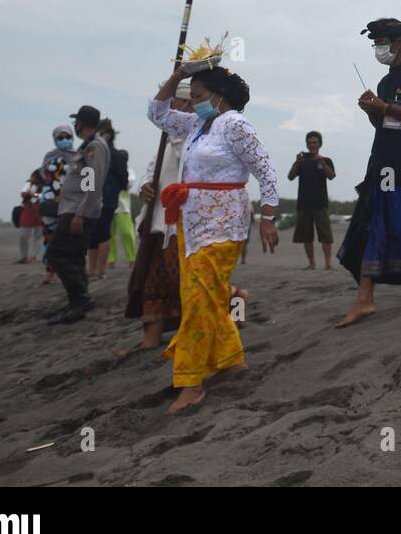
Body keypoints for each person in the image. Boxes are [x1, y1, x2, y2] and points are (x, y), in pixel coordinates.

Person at [149, 66, 279, 414]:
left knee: (196, 301)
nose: (193, 103)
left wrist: (268, 218)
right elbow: (156, 112)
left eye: (199, 96)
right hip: (190, 226)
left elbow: (266, 170)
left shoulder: (235, 125)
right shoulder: (195, 126)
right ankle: (232, 361)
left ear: (219, 95)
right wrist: (177, 76)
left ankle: (191, 382)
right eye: (190, 97)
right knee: (203, 296)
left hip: (224, 223)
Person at [336, 18, 401, 327]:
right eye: (375, 43)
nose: (377, 49)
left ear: (397, 43)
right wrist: (373, 111)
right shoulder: (383, 83)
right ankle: (365, 298)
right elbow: (383, 125)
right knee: (371, 225)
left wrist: (384, 108)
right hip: (380, 161)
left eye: (380, 42)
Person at [119, 78, 193, 357]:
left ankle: (235, 300)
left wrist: (175, 133)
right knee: (153, 282)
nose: (176, 108)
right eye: (174, 103)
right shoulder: (167, 138)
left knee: (184, 281)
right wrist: (146, 185)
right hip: (156, 223)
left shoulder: (195, 136)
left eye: (181, 103)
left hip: (181, 225)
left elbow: (188, 166)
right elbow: (154, 168)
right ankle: (151, 338)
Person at [45, 106, 110, 324]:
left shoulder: (94, 147)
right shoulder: (87, 146)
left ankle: (79, 298)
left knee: (56, 254)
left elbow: (92, 183)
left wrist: (81, 214)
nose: (75, 126)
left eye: (76, 122)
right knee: (73, 256)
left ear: (80, 123)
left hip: (77, 211)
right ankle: (80, 300)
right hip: (74, 209)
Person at [31, 125, 76, 285]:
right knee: (49, 238)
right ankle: (50, 271)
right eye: (60, 137)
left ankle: (65, 273)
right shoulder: (49, 156)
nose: (64, 140)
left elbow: (86, 181)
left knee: (67, 239)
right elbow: (42, 174)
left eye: (67, 137)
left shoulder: (79, 156)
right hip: (49, 203)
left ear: (72, 137)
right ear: (55, 139)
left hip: (70, 203)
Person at [87, 119, 129, 280]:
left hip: (98, 197)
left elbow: (88, 174)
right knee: (101, 233)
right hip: (108, 197)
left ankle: (95, 269)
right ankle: (98, 270)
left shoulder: (94, 150)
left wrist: (87, 192)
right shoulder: (115, 154)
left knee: (96, 234)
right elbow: (123, 178)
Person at [288, 131, 336, 269]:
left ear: (320, 144)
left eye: (315, 142)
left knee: (326, 235)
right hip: (304, 203)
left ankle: (328, 264)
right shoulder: (302, 161)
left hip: (320, 203)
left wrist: (321, 162)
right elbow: (290, 176)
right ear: (307, 144)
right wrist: (297, 162)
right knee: (306, 236)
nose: (312, 145)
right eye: (310, 143)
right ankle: (312, 263)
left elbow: (331, 176)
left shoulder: (326, 160)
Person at [16, 175, 42, 264]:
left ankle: (35, 257)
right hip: (28, 208)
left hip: (40, 209)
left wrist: (33, 194)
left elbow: (46, 195)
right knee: (23, 235)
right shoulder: (29, 183)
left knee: (38, 236)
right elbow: (23, 194)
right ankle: (24, 256)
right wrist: (30, 194)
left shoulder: (47, 183)